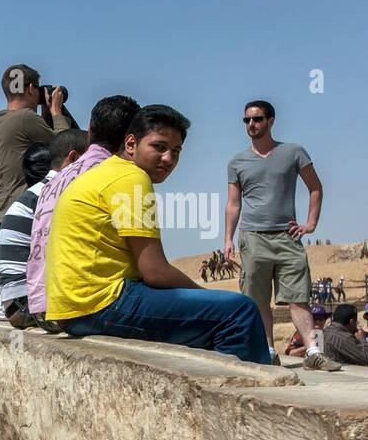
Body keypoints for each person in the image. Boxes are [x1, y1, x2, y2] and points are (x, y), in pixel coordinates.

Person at [45, 105, 269, 363]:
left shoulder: (104, 173)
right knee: (239, 312)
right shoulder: (131, 178)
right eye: (159, 147)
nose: (169, 159)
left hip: (72, 309)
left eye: (176, 151)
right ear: (131, 143)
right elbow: (155, 272)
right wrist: (200, 294)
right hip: (98, 305)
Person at [224, 101, 339, 370]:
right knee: (258, 300)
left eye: (258, 119)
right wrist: (228, 238)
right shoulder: (236, 162)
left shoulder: (293, 152)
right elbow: (233, 203)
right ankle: (267, 352)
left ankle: (313, 352)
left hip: (288, 237)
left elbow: (315, 187)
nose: (251, 125)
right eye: (247, 120)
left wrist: (310, 224)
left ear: (271, 121)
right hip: (252, 237)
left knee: (299, 297)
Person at [27, 95, 141, 319]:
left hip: (41, 307)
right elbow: (147, 264)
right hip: (80, 307)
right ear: (133, 140)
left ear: (89, 131)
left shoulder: (55, 180)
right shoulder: (115, 173)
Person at [0, 132, 89, 324]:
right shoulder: (58, 193)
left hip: (15, 303)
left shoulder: (40, 191)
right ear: (74, 158)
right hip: (28, 305)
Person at [0, 64, 73, 223]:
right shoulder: (25, 118)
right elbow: (66, 146)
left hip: (3, 216)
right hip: (25, 216)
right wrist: (56, 111)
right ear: (31, 89)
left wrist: (45, 115)